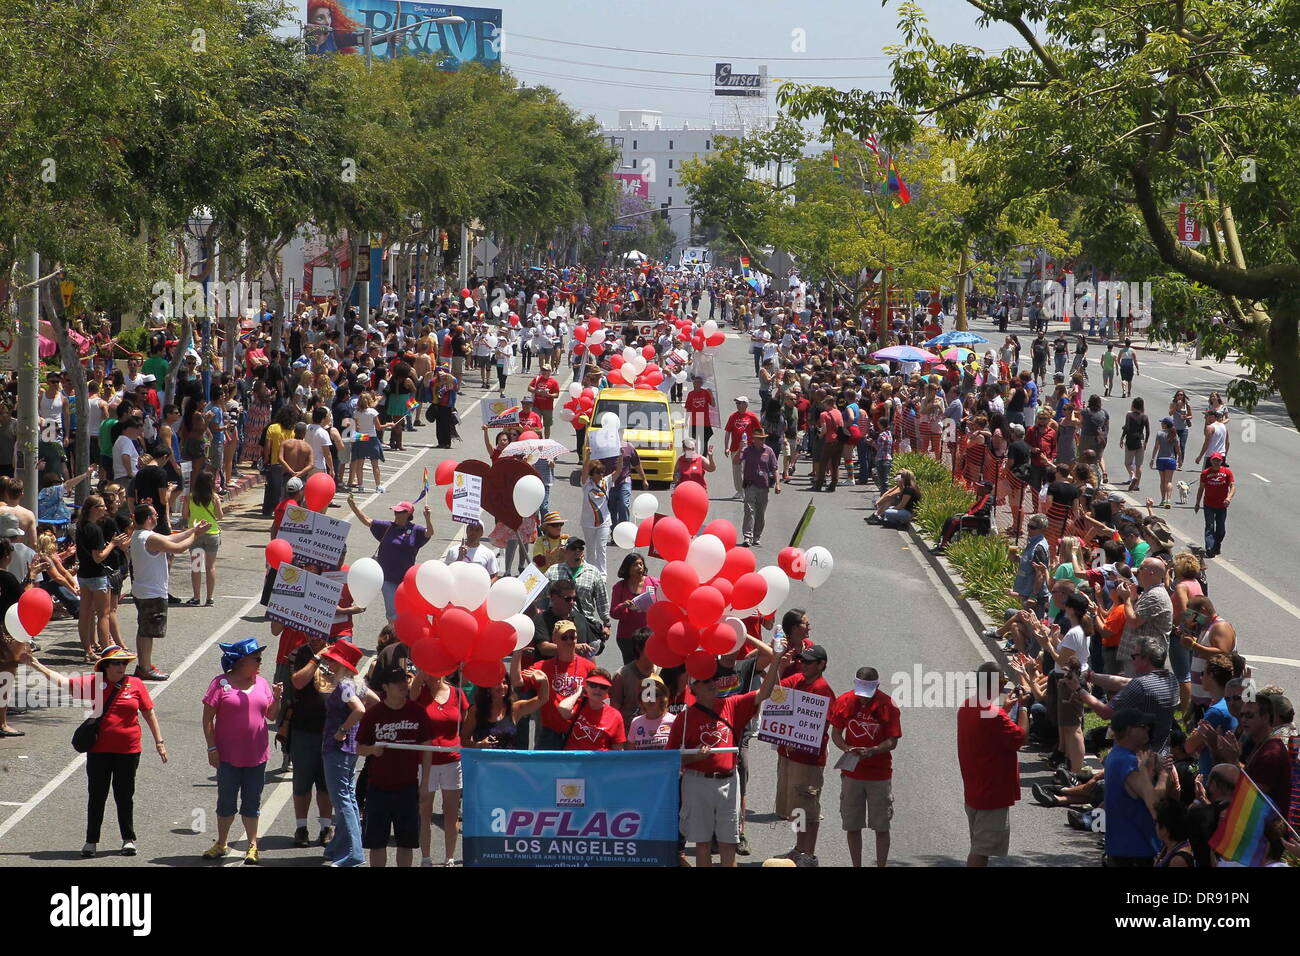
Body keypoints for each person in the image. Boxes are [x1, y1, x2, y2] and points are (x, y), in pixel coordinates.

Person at [21, 645, 166, 857]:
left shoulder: (135, 684)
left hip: (129, 751)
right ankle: (91, 841)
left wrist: (159, 742)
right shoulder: (94, 684)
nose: (121, 667)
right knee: (97, 796)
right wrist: (34, 664)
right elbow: (62, 682)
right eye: (116, 663)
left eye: (124, 663)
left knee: (124, 796)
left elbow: (149, 713)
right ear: (105, 666)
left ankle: (128, 839)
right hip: (99, 751)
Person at [667, 644, 784, 867]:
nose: (713, 683)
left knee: (728, 843)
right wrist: (695, 758)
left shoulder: (732, 704)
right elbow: (672, 758)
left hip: (729, 781)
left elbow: (764, 693)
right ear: (694, 688)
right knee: (702, 844)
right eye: (706, 681)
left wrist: (776, 659)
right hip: (697, 783)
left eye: (713, 679)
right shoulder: (683, 720)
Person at [201, 638, 282, 863]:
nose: (259, 662)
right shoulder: (220, 684)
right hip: (227, 756)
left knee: (251, 802)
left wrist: (277, 699)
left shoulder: (262, 683)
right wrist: (212, 747)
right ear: (240, 662)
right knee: (226, 802)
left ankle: (252, 845)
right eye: (255, 659)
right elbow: (208, 718)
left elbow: (272, 715)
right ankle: (221, 843)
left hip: (256, 756)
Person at [356, 667, 435, 867]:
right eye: (397, 681)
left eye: (405, 680)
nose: (403, 684)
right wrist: (373, 749)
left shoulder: (417, 712)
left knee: (406, 843)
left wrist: (425, 783)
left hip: (407, 788)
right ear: (385, 687)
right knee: (377, 843)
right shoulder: (373, 714)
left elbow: (427, 749)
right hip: (377, 789)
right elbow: (359, 748)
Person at [957, 662, 1030, 866]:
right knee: (980, 852)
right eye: (1003, 682)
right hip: (992, 792)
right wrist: (1023, 708)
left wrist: (1005, 708)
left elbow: (989, 726)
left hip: (974, 789)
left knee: (979, 846)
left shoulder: (967, 706)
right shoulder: (995, 715)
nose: (1004, 687)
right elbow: (1021, 737)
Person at [829, 666, 901, 867]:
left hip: (879, 775)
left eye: (868, 696)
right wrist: (847, 748)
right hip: (852, 773)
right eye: (861, 695)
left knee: (881, 826)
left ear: (877, 687)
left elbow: (892, 741)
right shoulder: (844, 701)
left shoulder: (888, 705)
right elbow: (836, 734)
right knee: (852, 825)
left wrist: (873, 750)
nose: (864, 699)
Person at [129, 503, 209, 679]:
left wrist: (192, 530)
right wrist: (196, 534)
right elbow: (178, 548)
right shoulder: (148, 538)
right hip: (151, 592)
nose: (157, 517)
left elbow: (172, 538)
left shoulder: (141, 535)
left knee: (144, 630)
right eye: (155, 514)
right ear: (149, 518)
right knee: (148, 632)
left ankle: (144, 665)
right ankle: (145, 667)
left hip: (143, 590)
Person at [319, 639, 372, 867]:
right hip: (349, 748)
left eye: (332, 661)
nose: (329, 664)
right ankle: (340, 846)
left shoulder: (343, 686)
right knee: (347, 797)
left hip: (338, 747)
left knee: (341, 800)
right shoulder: (355, 684)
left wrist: (343, 729)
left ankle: (353, 852)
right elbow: (373, 702)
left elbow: (359, 709)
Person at [410, 666, 468, 866]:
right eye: (429, 669)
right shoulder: (419, 691)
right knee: (424, 813)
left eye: (436, 668)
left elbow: (465, 721)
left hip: (452, 762)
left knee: (451, 815)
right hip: (426, 764)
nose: (433, 674)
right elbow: (412, 693)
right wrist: (422, 672)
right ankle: (426, 858)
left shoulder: (457, 693)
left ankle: (449, 858)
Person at [347, 496, 434, 621]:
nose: (396, 514)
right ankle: (395, 636)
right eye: (395, 511)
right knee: (392, 612)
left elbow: (429, 533)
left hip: (407, 580)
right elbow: (367, 521)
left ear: (408, 514)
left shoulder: (416, 530)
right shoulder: (388, 527)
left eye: (399, 512)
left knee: (410, 610)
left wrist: (428, 518)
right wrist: (353, 506)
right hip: (388, 579)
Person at [1103, 708, 1171, 866]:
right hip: (1136, 850)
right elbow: (1154, 802)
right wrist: (1164, 774)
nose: (1147, 728)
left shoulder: (1115, 755)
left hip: (1121, 847)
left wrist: (1148, 771)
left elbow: (1134, 793)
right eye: (1143, 725)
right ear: (1129, 730)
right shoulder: (1129, 762)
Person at [518, 619, 596, 750]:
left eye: (573, 637)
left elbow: (596, 699)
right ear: (555, 639)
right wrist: (517, 652)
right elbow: (518, 681)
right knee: (546, 769)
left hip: (578, 731)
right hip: (550, 733)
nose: (569, 641)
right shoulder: (543, 666)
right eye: (564, 637)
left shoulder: (588, 666)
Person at [75, 494, 130, 663]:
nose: (104, 509)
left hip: (83, 574)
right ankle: (107, 650)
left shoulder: (81, 526)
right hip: (97, 576)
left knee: (85, 613)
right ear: (93, 509)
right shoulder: (95, 529)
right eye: (101, 506)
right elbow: (98, 557)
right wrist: (112, 544)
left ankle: (88, 650)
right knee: (103, 614)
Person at [463, 659, 549, 749]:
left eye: (504, 683)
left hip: (510, 761)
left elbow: (542, 699)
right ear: (487, 687)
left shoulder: (515, 708)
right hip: (484, 761)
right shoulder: (476, 711)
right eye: (497, 683)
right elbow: (463, 740)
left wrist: (544, 681)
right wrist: (479, 745)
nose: (502, 687)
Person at [544, 538, 609, 650]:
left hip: (583, 623)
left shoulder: (593, 572)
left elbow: (602, 600)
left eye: (580, 548)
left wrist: (607, 624)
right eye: (573, 548)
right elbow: (541, 594)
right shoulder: (553, 571)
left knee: (583, 656)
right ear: (565, 551)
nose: (577, 551)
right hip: (556, 623)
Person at [556, 669, 626, 750]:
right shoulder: (578, 705)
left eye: (603, 687)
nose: (598, 689)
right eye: (593, 685)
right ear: (586, 686)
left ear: (608, 691)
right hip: (573, 760)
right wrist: (578, 693)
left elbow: (617, 749)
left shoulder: (615, 716)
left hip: (599, 761)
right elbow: (562, 708)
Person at [183, 469, 223, 607]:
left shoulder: (190, 497)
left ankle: (196, 597)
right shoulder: (214, 497)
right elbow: (219, 516)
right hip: (212, 533)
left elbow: (184, 515)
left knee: (196, 566)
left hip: (196, 534)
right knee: (210, 566)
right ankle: (210, 598)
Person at [610, 554, 657, 664]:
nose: (639, 567)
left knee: (649, 668)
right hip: (627, 636)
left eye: (641, 564)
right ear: (627, 568)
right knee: (631, 669)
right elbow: (613, 613)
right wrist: (623, 606)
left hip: (649, 635)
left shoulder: (654, 583)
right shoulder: (619, 587)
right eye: (635, 565)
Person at [740, 425, 780, 547]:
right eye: (760, 438)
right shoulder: (747, 450)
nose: (762, 441)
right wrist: (740, 448)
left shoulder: (769, 451)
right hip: (750, 484)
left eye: (763, 438)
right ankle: (748, 536)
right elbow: (736, 461)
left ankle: (757, 536)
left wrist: (778, 484)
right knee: (749, 510)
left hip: (763, 485)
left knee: (760, 513)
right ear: (754, 439)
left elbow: (775, 468)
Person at [1193, 452, 1234, 558]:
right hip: (1208, 504)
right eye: (1214, 460)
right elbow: (1201, 488)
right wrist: (1197, 503)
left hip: (1222, 505)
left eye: (1218, 460)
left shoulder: (1227, 472)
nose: (1216, 462)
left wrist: (1228, 497)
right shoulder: (1205, 473)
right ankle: (1209, 548)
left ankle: (1217, 544)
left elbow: (1232, 486)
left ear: (1221, 461)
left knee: (1221, 529)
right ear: (1211, 461)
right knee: (1209, 526)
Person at [722, 396, 760, 498]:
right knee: (736, 470)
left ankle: (748, 490)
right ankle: (739, 490)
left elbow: (759, 431)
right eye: (737, 403)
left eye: (739, 403)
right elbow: (727, 432)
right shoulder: (733, 416)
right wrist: (726, 447)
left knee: (747, 469)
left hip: (749, 448)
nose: (737, 405)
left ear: (745, 405)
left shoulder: (751, 416)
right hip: (735, 448)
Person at [579, 459, 612, 576]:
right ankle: (590, 574)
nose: (601, 475)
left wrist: (621, 458)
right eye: (598, 472)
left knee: (601, 548)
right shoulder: (586, 483)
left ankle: (603, 576)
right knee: (591, 550)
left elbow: (618, 472)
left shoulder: (606, 482)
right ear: (592, 473)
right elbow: (584, 471)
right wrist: (587, 458)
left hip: (604, 522)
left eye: (602, 472)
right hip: (588, 523)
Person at [1120, 397, 1150, 491]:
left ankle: (1132, 476)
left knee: (1127, 463)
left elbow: (1127, 428)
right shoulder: (1145, 416)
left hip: (1130, 440)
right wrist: (1145, 442)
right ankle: (1137, 485)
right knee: (1138, 465)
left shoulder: (1129, 415)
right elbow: (1148, 431)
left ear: (1133, 405)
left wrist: (1122, 437)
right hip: (1140, 440)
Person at [1151, 417, 1180, 508]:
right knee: (1169, 481)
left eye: (1162, 423)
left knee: (1162, 480)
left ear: (1165, 425)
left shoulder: (1159, 434)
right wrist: (1180, 458)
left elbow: (1156, 447)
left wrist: (1152, 458)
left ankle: (1163, 499)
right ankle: (1168, 499)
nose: (1161, 424)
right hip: (1171, 459)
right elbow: (1177, 448)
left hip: (1161, 459)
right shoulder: (1174, 434)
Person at [684, 376, 716, 454]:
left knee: (704, 443)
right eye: (695, 382)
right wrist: (686, 421)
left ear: (701, 383)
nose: (697, 384)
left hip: (705, 422)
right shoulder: (690, 394)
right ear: (693, 383)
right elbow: (688, 408)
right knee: (693, 443)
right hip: (694, 422)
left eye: (699, 382)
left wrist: (711, 395)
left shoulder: (705, 392)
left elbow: (713, 404)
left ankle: (703, 460)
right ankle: (693, 459)